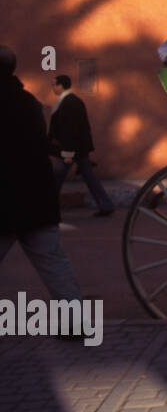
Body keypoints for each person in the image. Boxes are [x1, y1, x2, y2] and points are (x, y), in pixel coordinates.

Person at [0, 46, 84, 303]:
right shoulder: (30, 103)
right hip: (38, 198)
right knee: (54, 264)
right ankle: (75, 321)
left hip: (5, 202)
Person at [49, 73, 114, 217]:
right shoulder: (71, 101)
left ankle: (48, 208)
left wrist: (67, 154)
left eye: (54, 85)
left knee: (57, 178)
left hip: (70, 150)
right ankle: (105, 204)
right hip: (78, 149)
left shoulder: (68, 103)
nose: (52, 88)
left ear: (61, 86)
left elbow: (69, 130)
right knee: (89, 177)